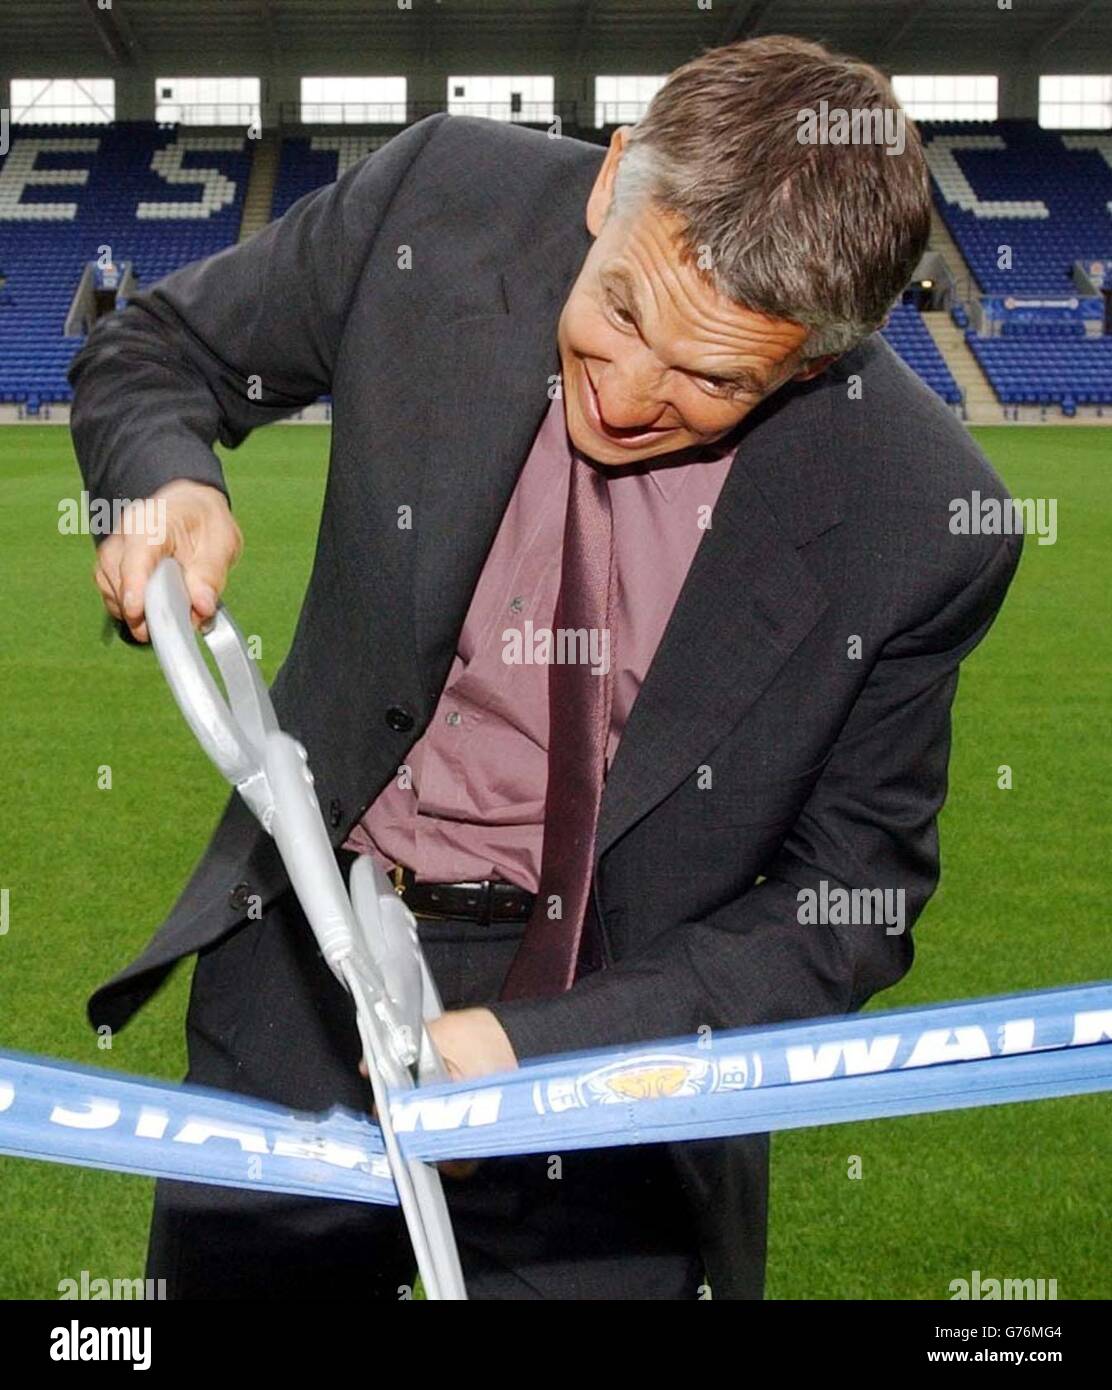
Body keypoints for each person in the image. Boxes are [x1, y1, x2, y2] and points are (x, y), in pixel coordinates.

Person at [69, 36, 1022, 1300]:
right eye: (623, 307)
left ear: (811, 360)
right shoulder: (437, 198)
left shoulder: (922, 516)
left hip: (615, 1042)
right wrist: (164, 480)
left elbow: (845, 903)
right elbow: (157, 350)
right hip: (307, 964)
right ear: (611, 177)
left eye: (714, 375)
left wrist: (543, 1052)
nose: (627, 394)